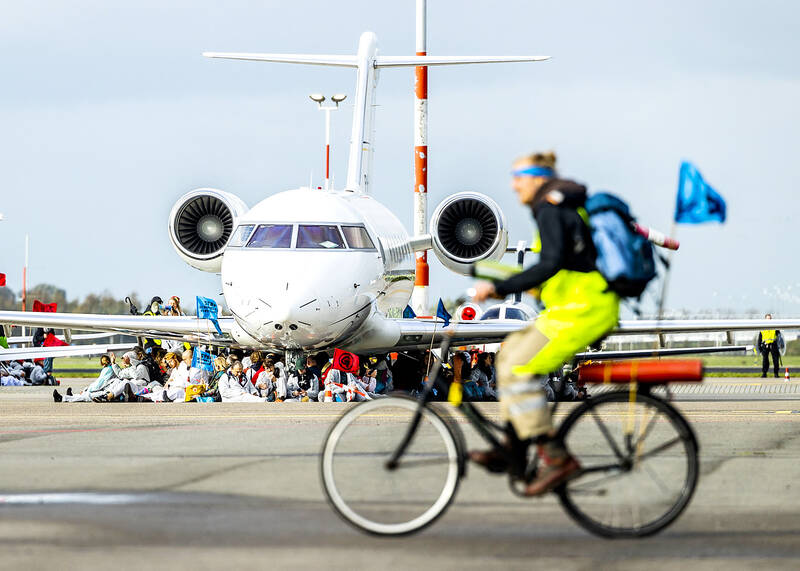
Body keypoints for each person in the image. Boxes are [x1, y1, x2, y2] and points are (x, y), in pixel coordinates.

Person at [470, 150, 620, 496]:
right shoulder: (561, 206)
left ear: (538, 178)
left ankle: (555, 457)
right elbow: (562, 266)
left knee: (517, 367)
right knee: (509, 357)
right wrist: (511, 281)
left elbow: (550, 263)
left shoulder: (549, 208)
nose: (514, 185)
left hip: (583, 310)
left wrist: (499, 287)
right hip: (572, 308)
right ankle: (513, 448)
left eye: (518, 177)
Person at [757, 314, 783, 378]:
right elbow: (759, 339)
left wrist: (781, 345)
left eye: (770, 319)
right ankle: (764, 373)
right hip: (765, 345)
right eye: (767, 319)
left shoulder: (775, 328)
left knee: (775, 360)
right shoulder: (762, 329)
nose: (769, 320)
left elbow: (780, 337)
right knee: (765, 360)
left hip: (773, 344)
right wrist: (760, 348)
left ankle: (776, 373)